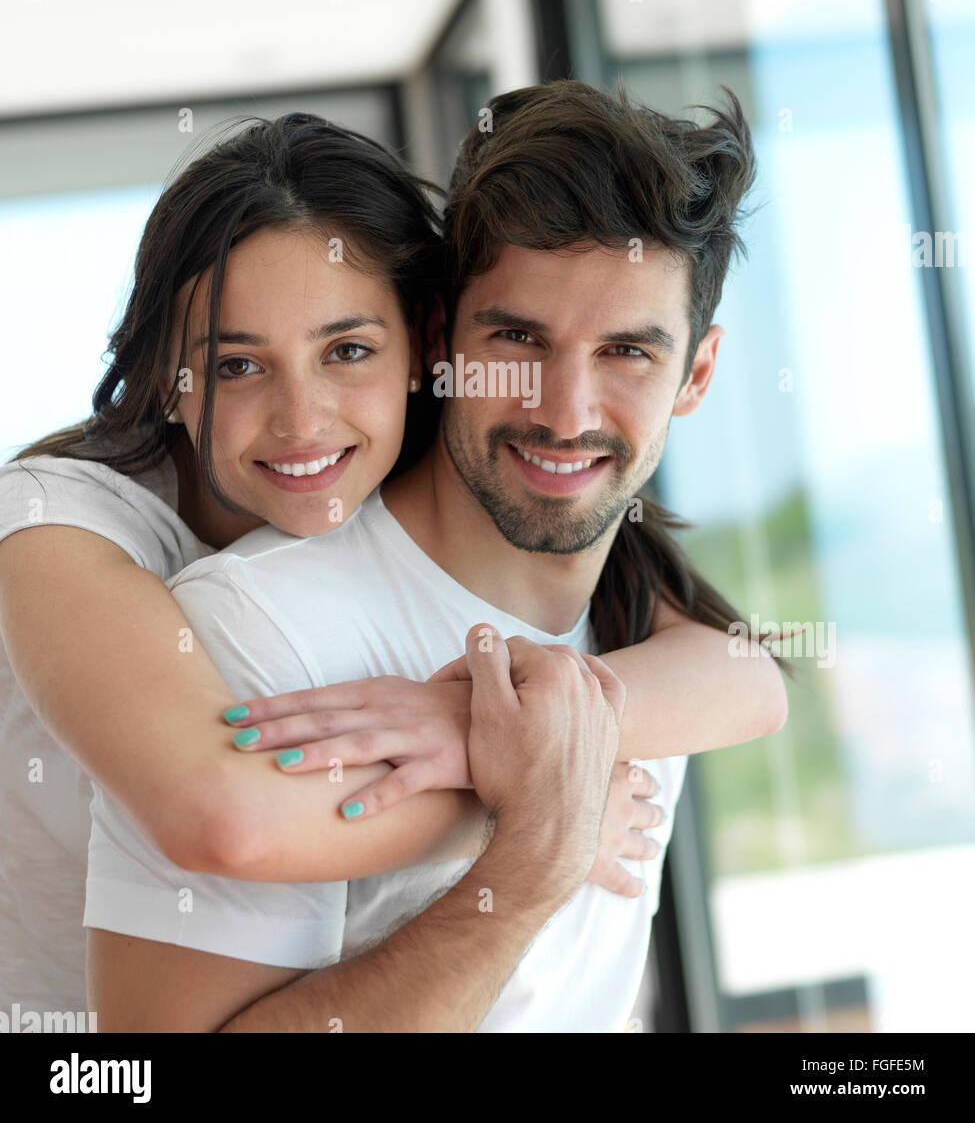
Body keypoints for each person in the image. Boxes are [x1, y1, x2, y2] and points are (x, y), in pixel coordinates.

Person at [0, 106, 781, 1023]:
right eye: (237, 365)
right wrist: (537, 810)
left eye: (348, 351)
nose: (303, 422)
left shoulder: (587, 547)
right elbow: (219, 815)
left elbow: (749, 677)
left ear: (415, 347)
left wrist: (496, 726)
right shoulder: (81, 533)